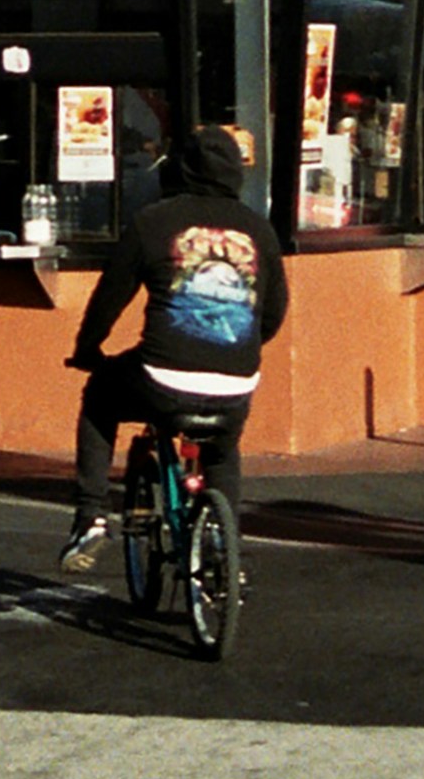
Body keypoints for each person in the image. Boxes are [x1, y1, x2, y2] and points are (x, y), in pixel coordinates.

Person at [57, 123, 288, 569]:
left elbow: (109, 300)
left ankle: (90, 519)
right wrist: (234, 347)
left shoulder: (153, 222)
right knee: (221, 449)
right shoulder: (260, 230)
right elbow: (274, 313)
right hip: (237, 380)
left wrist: (88, 349)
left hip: (161, 377)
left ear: (179, 169)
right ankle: (225, 550)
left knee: (100, 396)